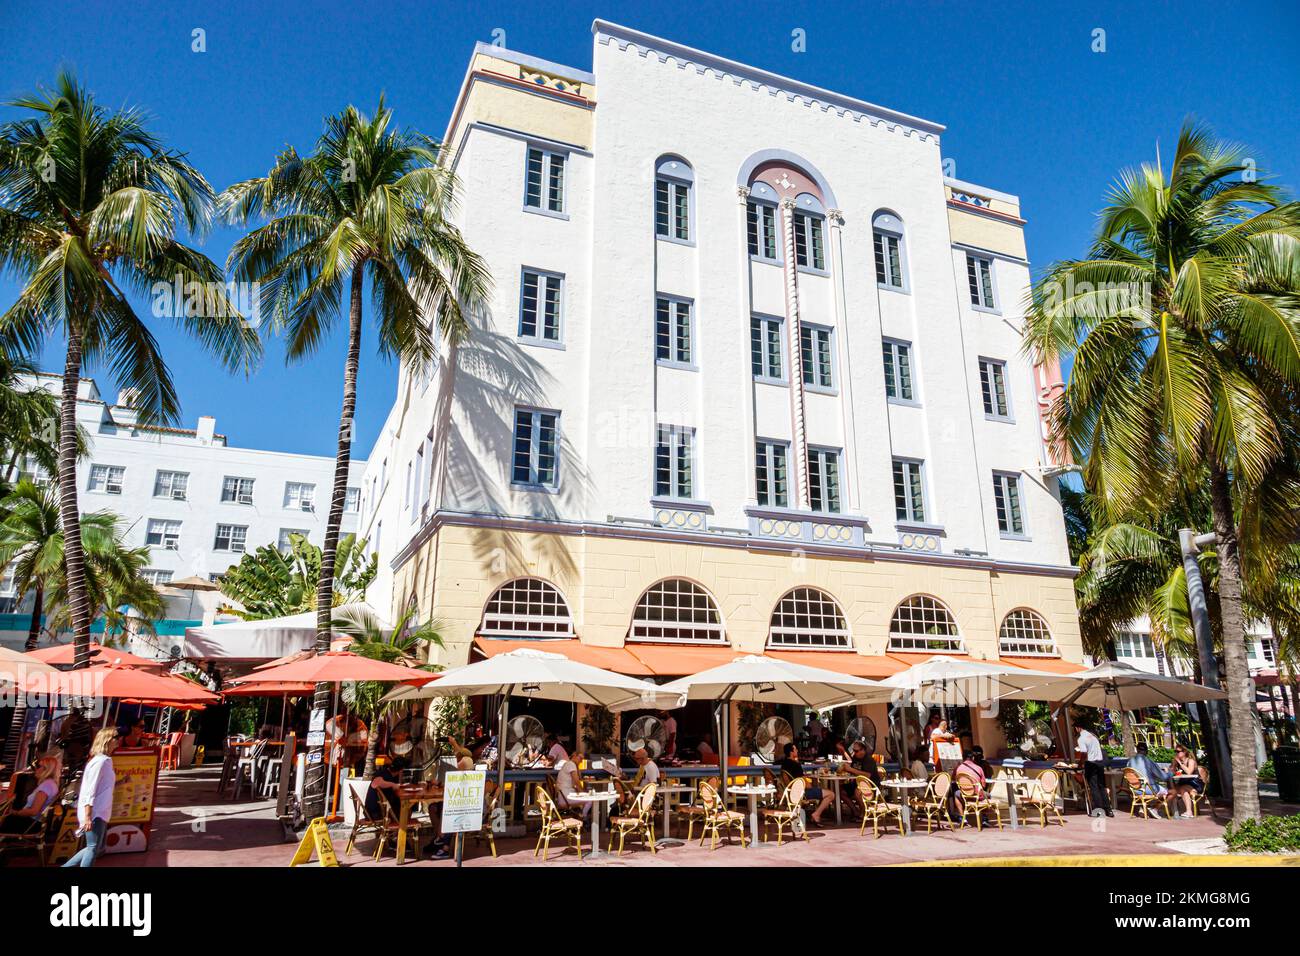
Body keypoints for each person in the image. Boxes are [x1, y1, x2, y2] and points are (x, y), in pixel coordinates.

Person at [63, 729, 117, 867]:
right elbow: (90, 789)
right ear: (107, 740)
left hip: (100, 810)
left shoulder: (105, 761)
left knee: (94, 847)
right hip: (95, 811)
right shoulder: (101, 762)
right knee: (93, 847)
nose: (118, 740)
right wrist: (88, 815)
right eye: (115, 737)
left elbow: (102, 786)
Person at [777, 743, 835, 827]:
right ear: (791, 752)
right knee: (831, 794)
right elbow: (808, 786)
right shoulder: (796, 765)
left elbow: (796, 778)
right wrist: (811, 784)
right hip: (801, 793)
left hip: (791, 792)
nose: (797, 751)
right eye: (795, 749)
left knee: (819, 790)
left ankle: (815, 814)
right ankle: (816, 814)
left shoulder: (784, 764)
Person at [0, 755, 61, 834]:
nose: (36, 769)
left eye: (39, 766)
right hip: (30, 822)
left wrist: (16, 813)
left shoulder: (47, 785)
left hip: (28, 823)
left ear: (46, 769)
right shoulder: (50, 784)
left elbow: (34, 811)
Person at [1073, 720, 1113, 817]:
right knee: (1102, 787)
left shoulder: (1081, 738)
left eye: (1075, 728)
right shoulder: (1093, 736)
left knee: (1094, 788)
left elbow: (1083, 753)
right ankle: (1109, 810)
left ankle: (1099, 811)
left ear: (1078, 728)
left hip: (1091, 764)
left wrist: (1080, 764)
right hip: (1100, 763)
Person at [1169, 744, 1203, 818]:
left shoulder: (1190, 761)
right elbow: (1172, 771)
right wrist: (1174, 765)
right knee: (1173, 791)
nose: (1176, 753)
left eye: (1178, 751)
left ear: (1184, 752)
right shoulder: (1178, 762)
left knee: (1182, 789)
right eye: (1175, 751)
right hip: (1185, 785)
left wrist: (1180, 763)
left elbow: (1189, 772)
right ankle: (1174, 811)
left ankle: (1189, 811)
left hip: (1196, 785)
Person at [55, 708, 93, 776]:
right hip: (79, 748)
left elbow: (63, 735)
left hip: (69, 747)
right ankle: (73, 775)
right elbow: (89, 736)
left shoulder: (66, 721)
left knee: (71, 763)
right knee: (76, 764)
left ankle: (71, 774)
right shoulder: (84, 722)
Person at [553, 750, 589, 818]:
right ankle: (583, 819)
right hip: (565, 798)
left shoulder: (568, 764)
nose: (581, 761)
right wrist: (584, 793)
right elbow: (577, 782)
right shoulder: (571, 764)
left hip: (562, 797)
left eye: (582, 759)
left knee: (586, 798)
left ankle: (581, 816)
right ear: (574, 756)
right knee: (590, 800)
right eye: (580, 758)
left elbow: (576, 781)